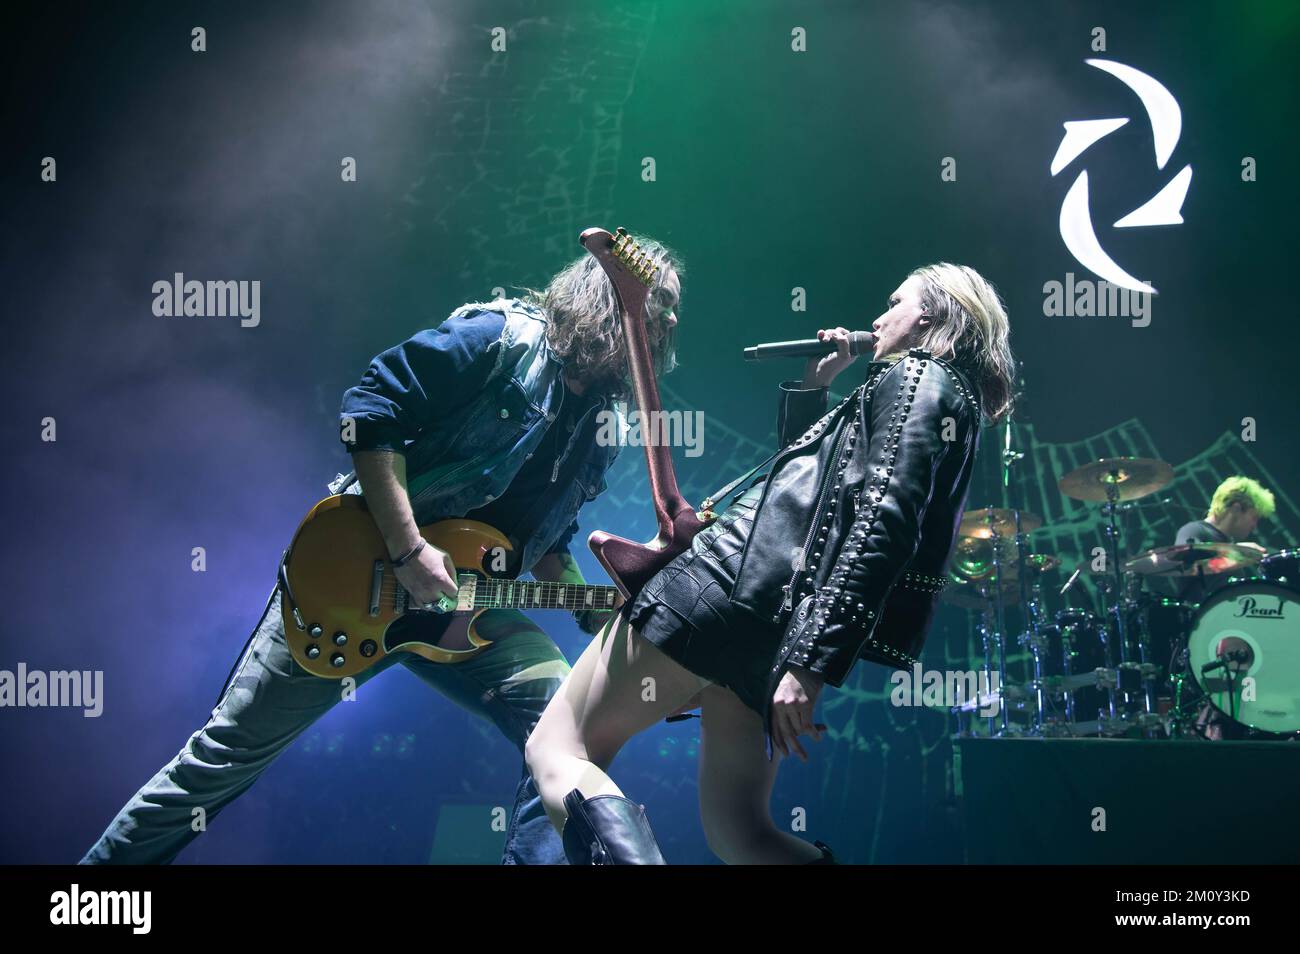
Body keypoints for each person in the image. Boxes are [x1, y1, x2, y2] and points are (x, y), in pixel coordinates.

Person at [80, 237, 683, 864]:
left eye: (672, 312)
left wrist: (594, 601)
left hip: (465, 608)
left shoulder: (603, 430)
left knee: (565, 729)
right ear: (610, 298)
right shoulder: (500, 339)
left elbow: (544, 538)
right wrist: (406, 548)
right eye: (658, 303)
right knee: (219, 762)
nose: (667, 323)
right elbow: (371, 409)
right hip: (356, 577)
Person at [526, 262, 1015, 864]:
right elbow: (813, 489)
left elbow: (883, 519)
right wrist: (817, 386)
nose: (878, 318)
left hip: (723, 588)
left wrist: (813, 663)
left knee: (558, 748)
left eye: (895, 302)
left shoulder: (917, 377)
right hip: (770, 628)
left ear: (932, 316)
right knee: (740, 832)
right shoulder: (943, 397)